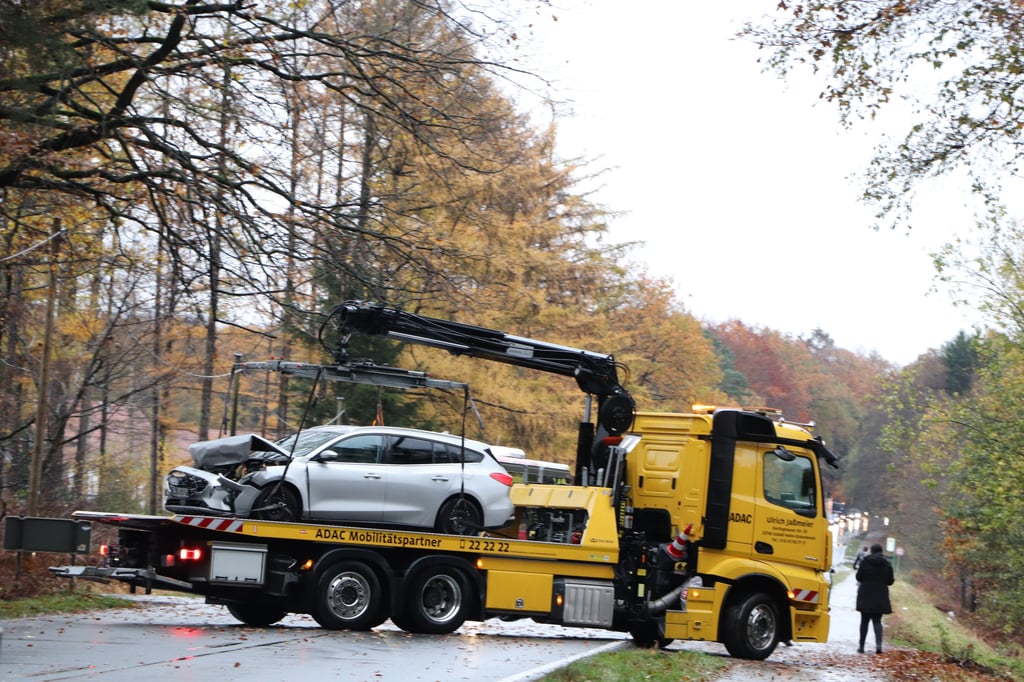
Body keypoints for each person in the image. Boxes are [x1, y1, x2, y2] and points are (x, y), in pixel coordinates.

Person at [855, 543, 895, 654]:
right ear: (881, 551)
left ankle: (861, 646)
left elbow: (859, 577)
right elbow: (890, 581)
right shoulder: (887, 563)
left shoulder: (865, 561)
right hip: (880, 595)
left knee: (864, 621)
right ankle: (878, 646)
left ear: (871, 551)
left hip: (865, 594)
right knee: (877, 621)